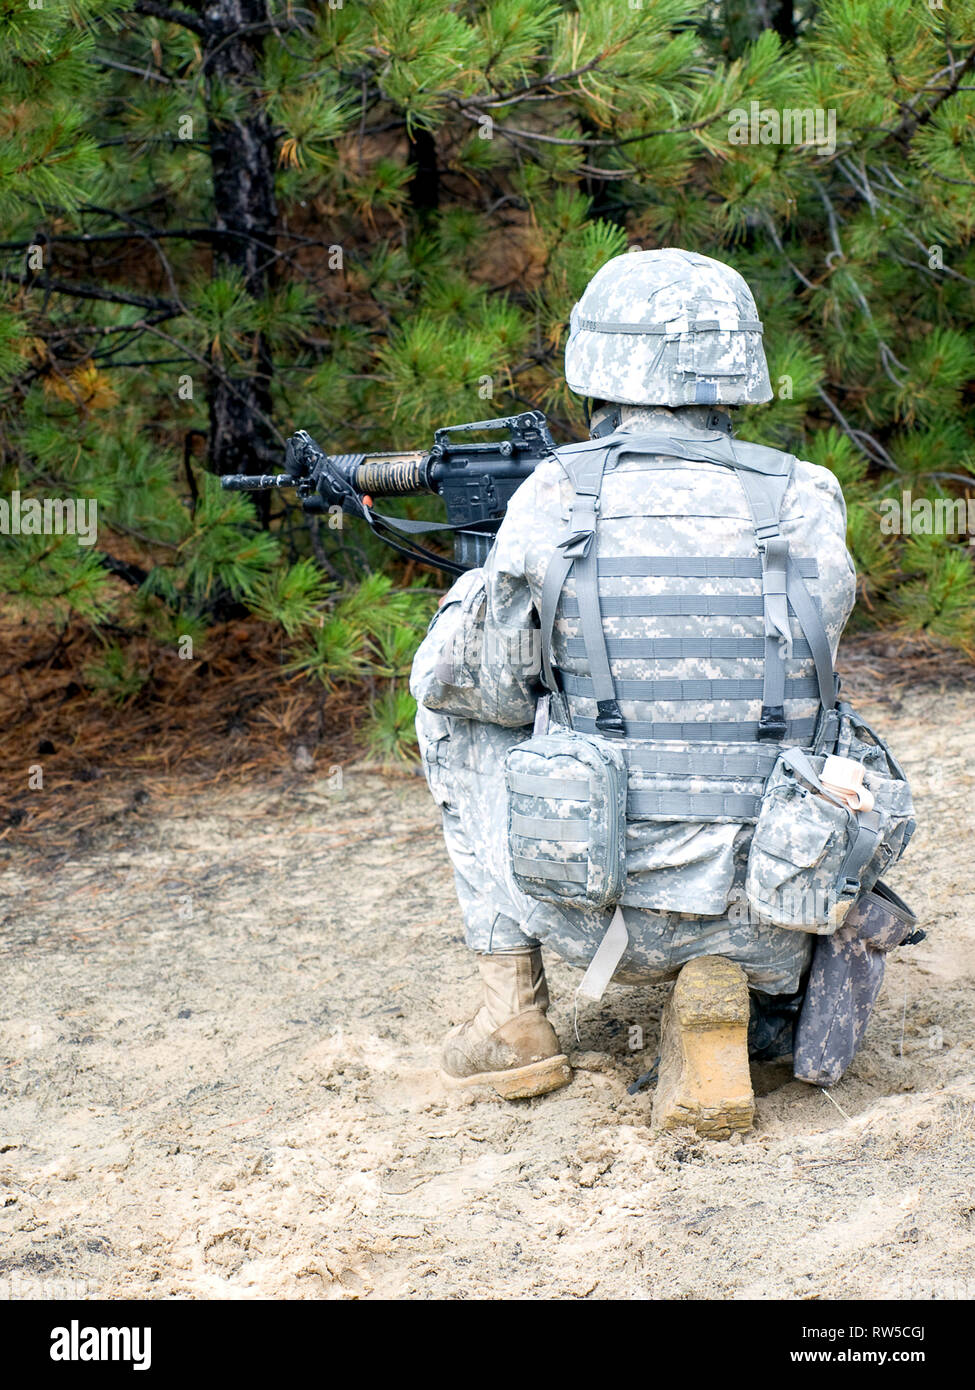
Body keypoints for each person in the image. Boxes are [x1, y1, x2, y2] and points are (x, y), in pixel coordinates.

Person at [410, 248, 859, 1137]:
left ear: (597, 364)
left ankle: (512, 1018)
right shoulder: (806, 496)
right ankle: (733, 994)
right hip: (782, 904)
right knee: (829, 722)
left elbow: (483, 693)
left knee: (449, 713)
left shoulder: (553, 496)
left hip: (598, 913)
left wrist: (475, 599)